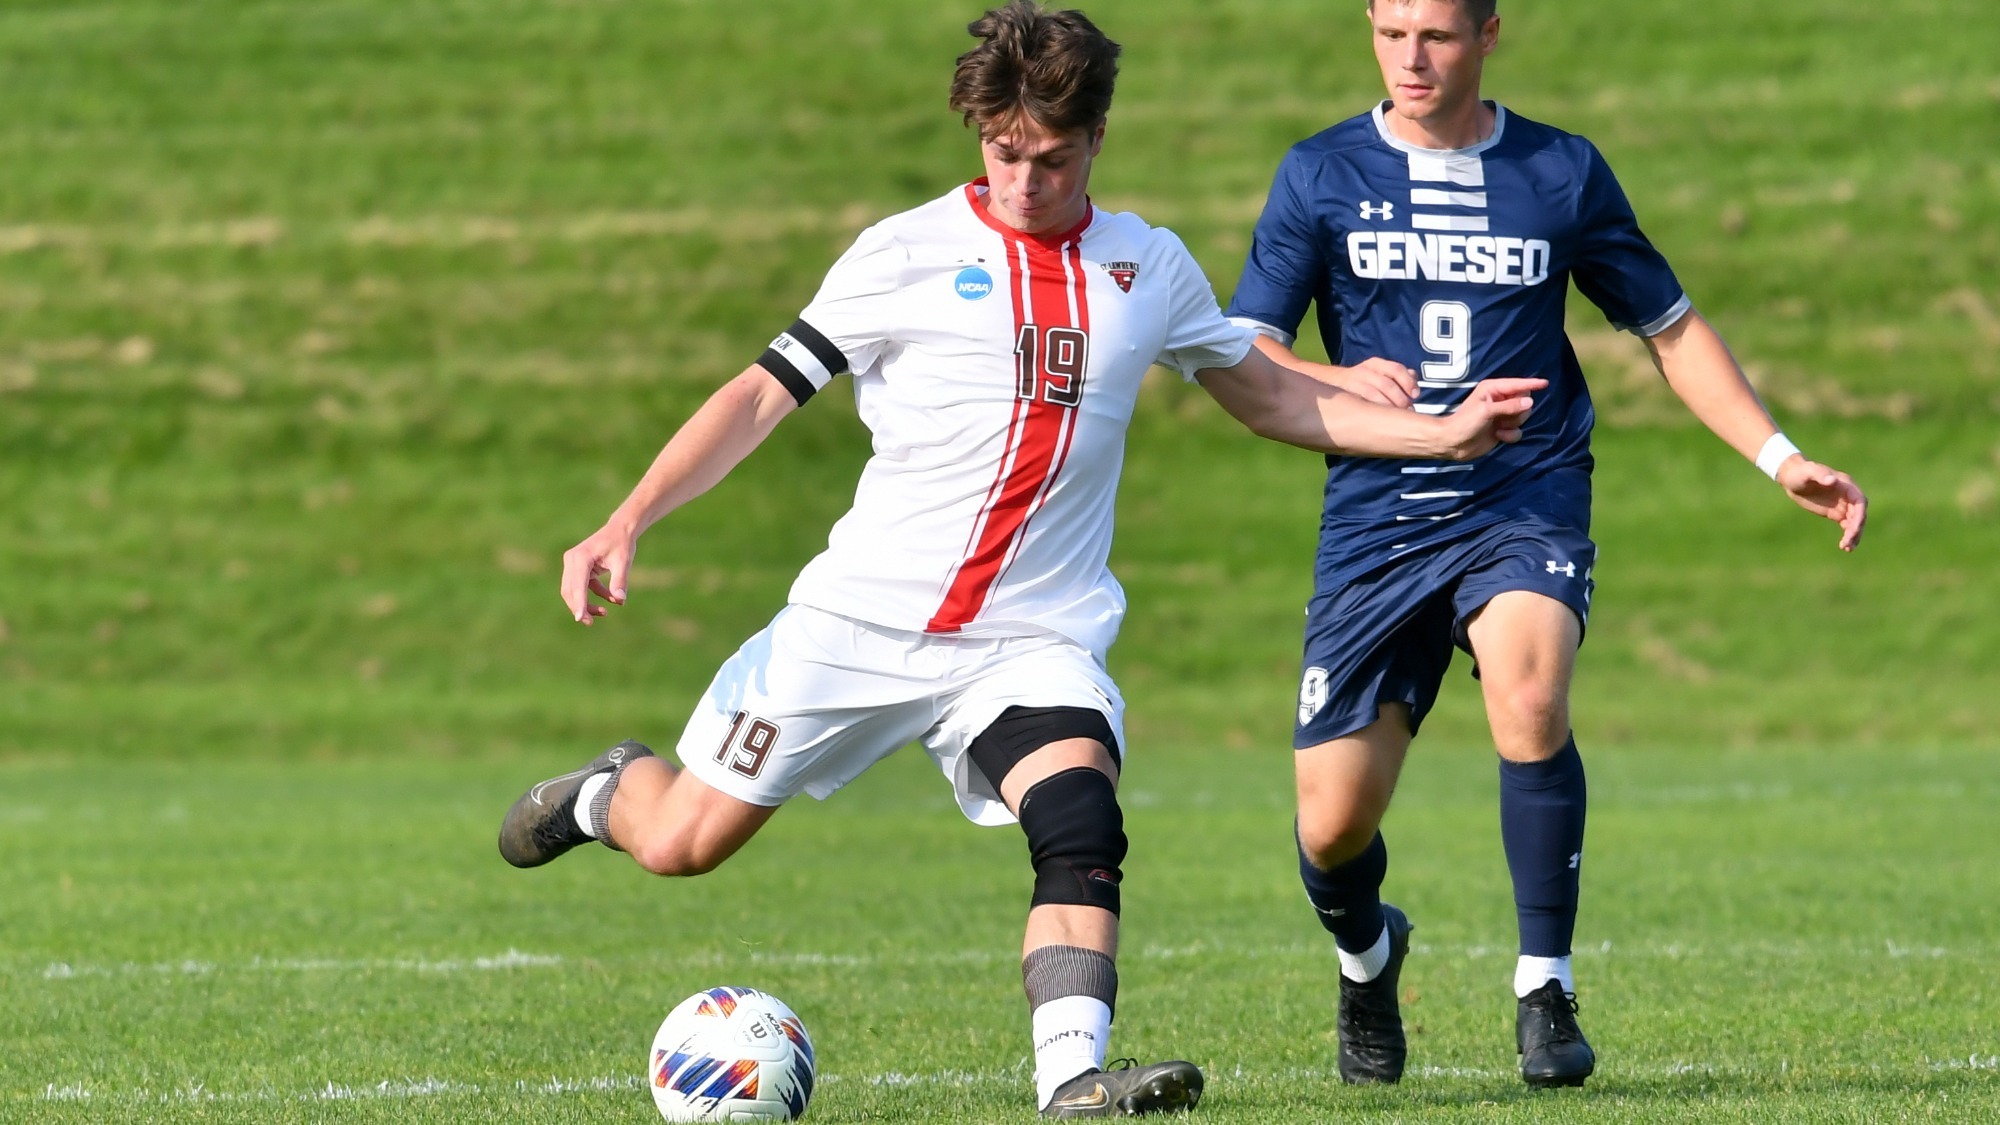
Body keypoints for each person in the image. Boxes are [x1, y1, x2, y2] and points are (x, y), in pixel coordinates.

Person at [497, 1, 1543, 1116]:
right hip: (856, 626)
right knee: (680, 843)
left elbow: (1272, 396)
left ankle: (1072, 1080)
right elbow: (760, 395)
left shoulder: (1145, 267)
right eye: (1004, 154)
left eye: (1051, 157)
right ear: (977, 135)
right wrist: (628, 518)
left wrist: (1440, 433)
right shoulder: (902, 252)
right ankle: (612, 790)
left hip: (1031, 640)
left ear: (1095, 140)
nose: (1026, 179)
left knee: (1081, 816)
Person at [1224, 0, 1868, 1091]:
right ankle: (1367, 955)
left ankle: (1543, 990)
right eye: (1390, 34)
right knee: (1332, 829)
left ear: (1486, 32)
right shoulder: (1319, 172)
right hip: (1377, 521)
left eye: (1434, 34)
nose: (1411, 58)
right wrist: (1342, 380)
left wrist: (1777, 456)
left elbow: (1667, 326)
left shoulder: (1558, 171)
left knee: (1528, 699)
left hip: (1521, 496)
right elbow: (1247, 354)